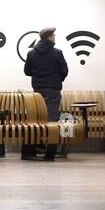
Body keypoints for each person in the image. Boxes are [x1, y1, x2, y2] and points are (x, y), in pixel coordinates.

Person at [21, 26, 68, 161]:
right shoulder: (57, 53)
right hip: (53, 89)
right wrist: (57, 79)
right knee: (52, 120)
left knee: (35, 119)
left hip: (38, 91)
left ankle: (29, 152)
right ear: (48, 37)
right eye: (53, 35)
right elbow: (64, 71)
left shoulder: (31, 53)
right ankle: (50, 153)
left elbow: (27, 72)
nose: (55, 37)